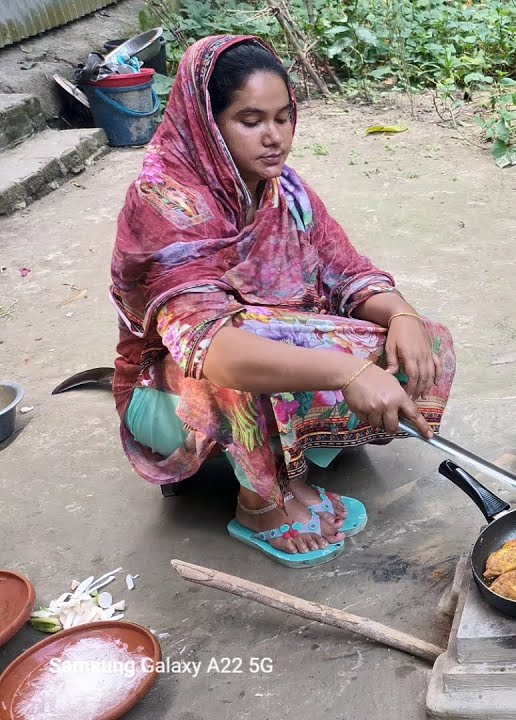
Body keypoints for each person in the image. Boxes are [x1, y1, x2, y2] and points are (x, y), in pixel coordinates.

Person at [109, 35, 456, 568]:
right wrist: (348, 372)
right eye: (250, 120)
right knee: (228, 355)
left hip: (254, 351)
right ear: (206, 123)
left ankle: (294, 465)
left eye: (283, 117)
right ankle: (261, 503)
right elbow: (211, 348)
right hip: (173, 395)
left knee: (425, 342)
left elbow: (350, 272)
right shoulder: (164, 203)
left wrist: (403, 315)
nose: (274, 138)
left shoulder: (283, 190)